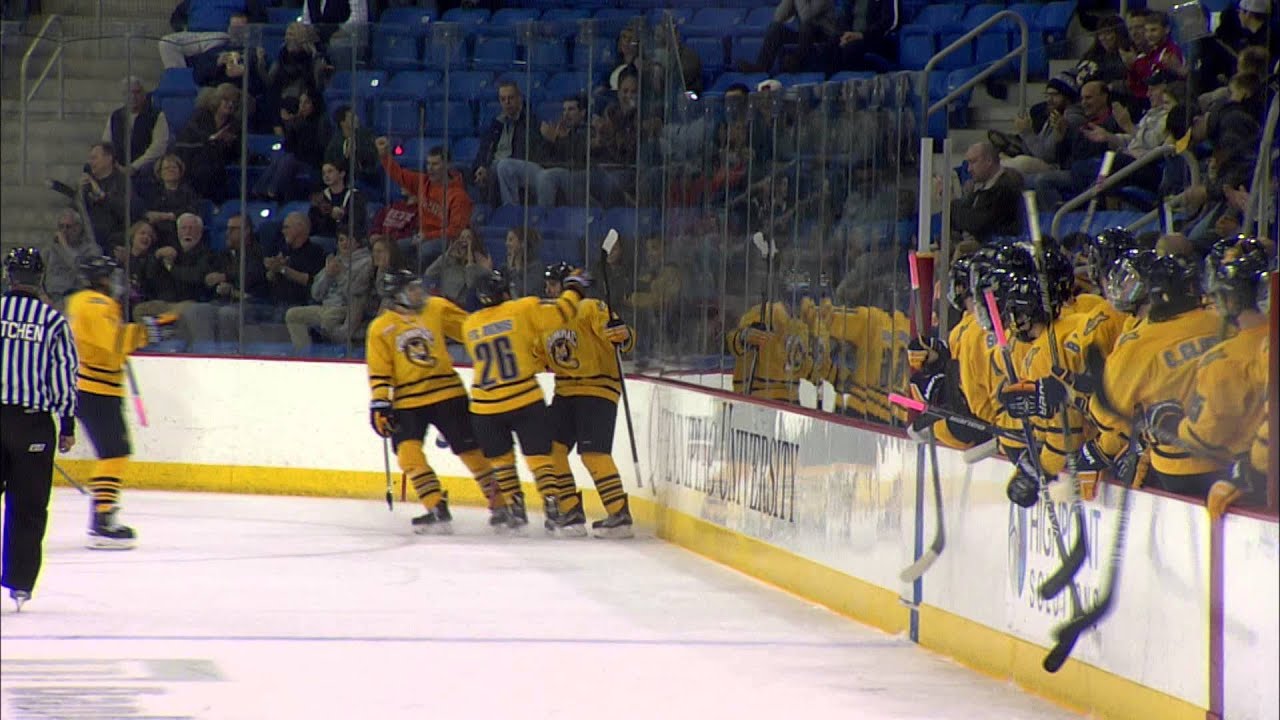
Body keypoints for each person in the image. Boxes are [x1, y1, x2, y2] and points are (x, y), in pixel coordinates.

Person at [365, 270, 519, 534]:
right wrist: (380, 403)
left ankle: (501, 505)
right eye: (411, 289)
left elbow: (473, 330)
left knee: (472, 451)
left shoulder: (436, 308)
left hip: (448, 392)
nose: (418, 292)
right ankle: (435, 505)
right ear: (396, 296)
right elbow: (380, 371)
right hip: (407, 400)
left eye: (417, 287)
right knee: (408, 455)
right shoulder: (381, 328)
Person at [460, 269, 592, 535]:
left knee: (501, 460)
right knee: (540, 458)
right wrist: (575, 288)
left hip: (485, 406)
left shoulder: (469, 324)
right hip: (523, 398)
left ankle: (515, 509)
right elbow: (561, 314)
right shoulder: (522, 308)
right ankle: (553, 508)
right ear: (505, 292)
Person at [65, 256, 177, 549]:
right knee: (114, 453)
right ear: (100, 278)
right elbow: (113, 342)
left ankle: (103, 517)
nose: (116, 281)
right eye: (110, 276)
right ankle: (102, 521)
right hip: (96, 391)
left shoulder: (86, 302)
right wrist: (145, 331)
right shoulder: (93, 304)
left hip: (98, 390)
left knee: (113, 453)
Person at [1, 248, 80, 611]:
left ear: (9, 275)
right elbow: (64, 375)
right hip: (32, 424)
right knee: (29, 507)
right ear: (40, 277)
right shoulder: (52, 321)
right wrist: (66, 423)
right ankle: (20, 584)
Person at [541, 263, 635, 538]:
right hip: (565, 391)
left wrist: (623, 335)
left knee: (593, 453)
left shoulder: (591, 307)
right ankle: (569, 511)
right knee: (551, 448)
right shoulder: (547, 316)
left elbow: (623, 338)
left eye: (553, 284)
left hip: (598, 388)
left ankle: (619, 513)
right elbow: (539, 354)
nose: (548, 290)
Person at [376, 139, 472, 272]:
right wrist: (384, 155)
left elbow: (454, 231)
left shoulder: (459, 196)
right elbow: (399, 174)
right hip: (422, 236)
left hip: (446, 240)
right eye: (428, 164)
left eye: (435, 164)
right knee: (393, 249)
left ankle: (422, 285)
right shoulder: (423, 181)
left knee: (425, 251)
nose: (430, 168)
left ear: (448, 165)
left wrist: (428, 236)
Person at [284, 228, 371, 354]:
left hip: (347, 308)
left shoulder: (366, 263)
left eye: (349, 240)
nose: (344, 243)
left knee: (328, 319)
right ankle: (303, 356)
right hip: (326, 307)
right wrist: (328, 275)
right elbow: (316, 294)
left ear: (358, 243)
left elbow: (356, 295)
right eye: (341, 240)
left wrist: (340, 275)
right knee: (293, 315)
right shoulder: (333, 260)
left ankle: (341, 357)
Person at [103, 77, 170, 182]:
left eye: (137, 92)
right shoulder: (115, 116)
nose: (132, 97)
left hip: (144, 168)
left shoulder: (157, 116)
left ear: (144, 94)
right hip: (118, 167)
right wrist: (116, 165)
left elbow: (158, 147)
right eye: (128, 93)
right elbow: (106, 144)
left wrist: (134, 167)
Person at [43, 209, 102, 308]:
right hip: (53, 297)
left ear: (78, 228)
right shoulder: (50, 249)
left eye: (68, 227)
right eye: (61, 227)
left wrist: (65, 246)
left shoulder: (91, 249)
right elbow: (40, 272)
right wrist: (42, 295)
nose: (64, 231)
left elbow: (80, 268)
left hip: (77, 297)